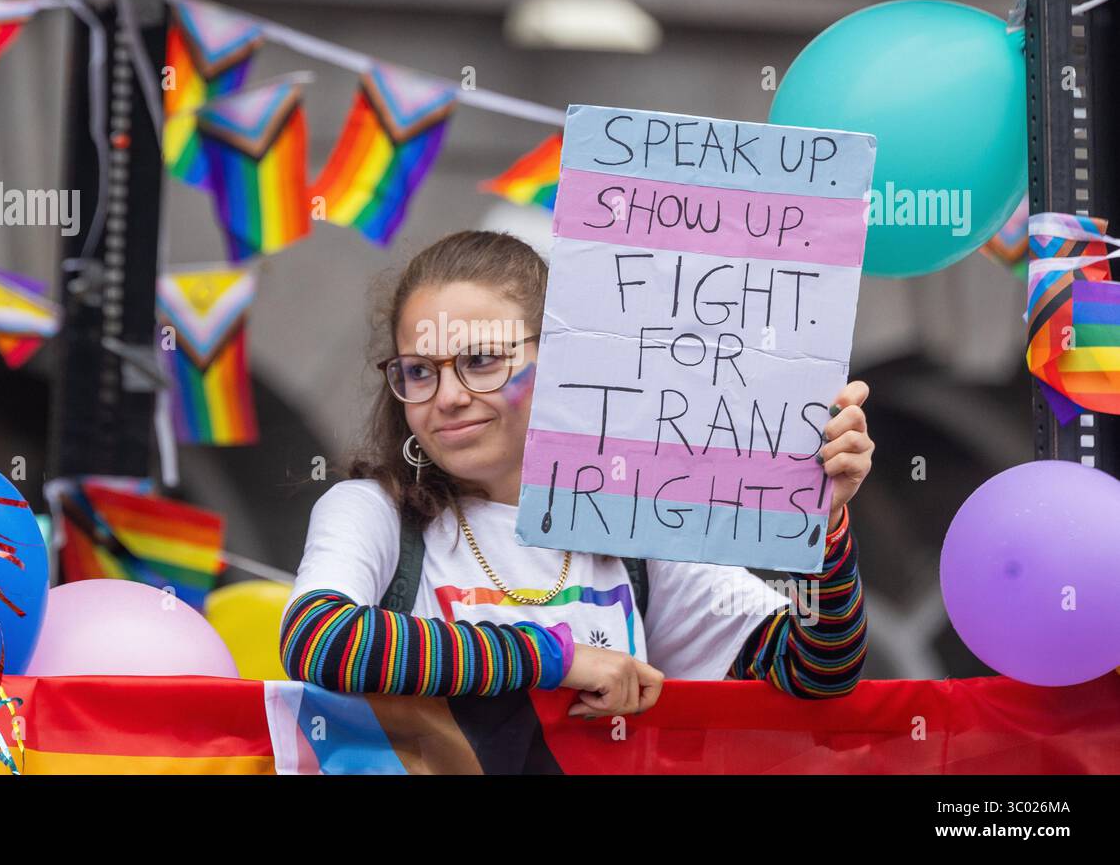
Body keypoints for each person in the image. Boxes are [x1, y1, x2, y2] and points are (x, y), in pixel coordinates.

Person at [281, 230, 871, 718]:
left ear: (561, 360)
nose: (449, 396)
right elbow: (320, 640)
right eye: (419, 370)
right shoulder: (371, 510)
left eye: (482, 361)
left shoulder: (636, 518)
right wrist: (560, 660)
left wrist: (825, 521)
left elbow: (817, 671)